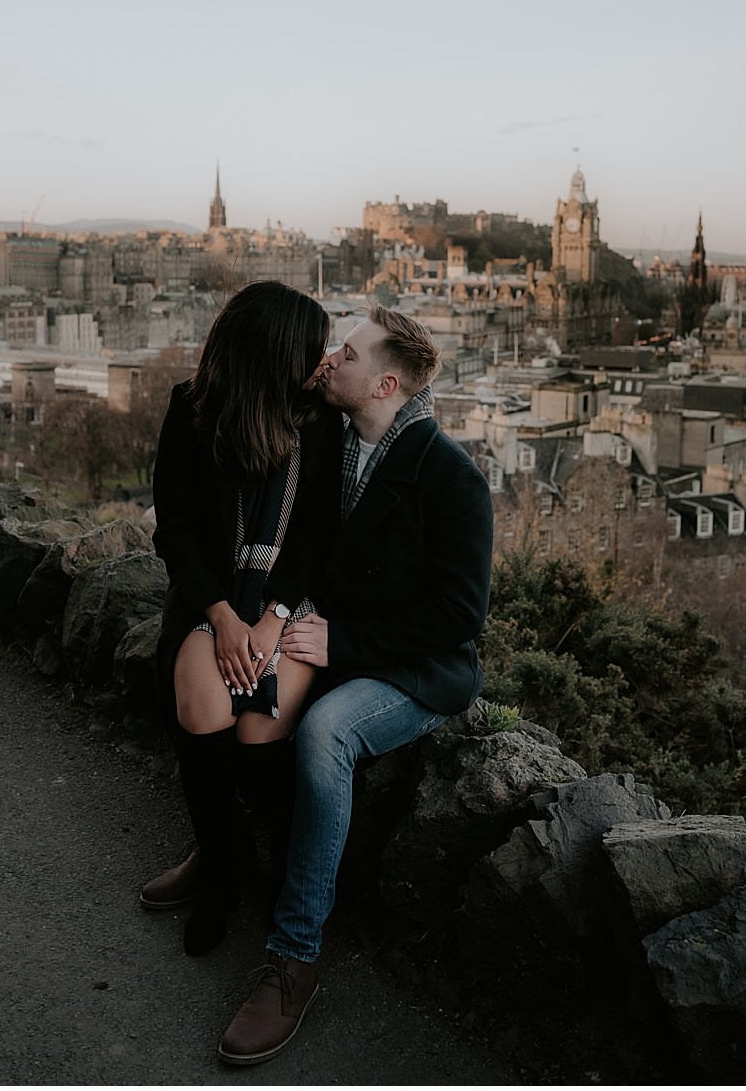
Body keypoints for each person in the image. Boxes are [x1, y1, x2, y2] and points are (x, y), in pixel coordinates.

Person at [215, 304, 491, 1065]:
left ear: (387, 384)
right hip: (335, 636)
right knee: (231, 685)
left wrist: (345, 644)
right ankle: (228, 854)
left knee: (326, 732)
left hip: (414, 666)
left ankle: (295, 954)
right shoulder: (334, 442)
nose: (332, 357)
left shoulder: (451, 478)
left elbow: (459, 618)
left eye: (349, 352)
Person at [141, 281, 340, 956]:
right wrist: (225, 617)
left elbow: (314, 535)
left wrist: (274, 616)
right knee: (203, 702)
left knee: (259, 725)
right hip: (211, 596)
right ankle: (223, 865)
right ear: (274, 352)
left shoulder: (319, 421)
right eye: (315, 348)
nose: (325, 360)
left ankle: (277, 868)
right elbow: (177, 533)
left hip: (288, 599)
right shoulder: (193, 411)